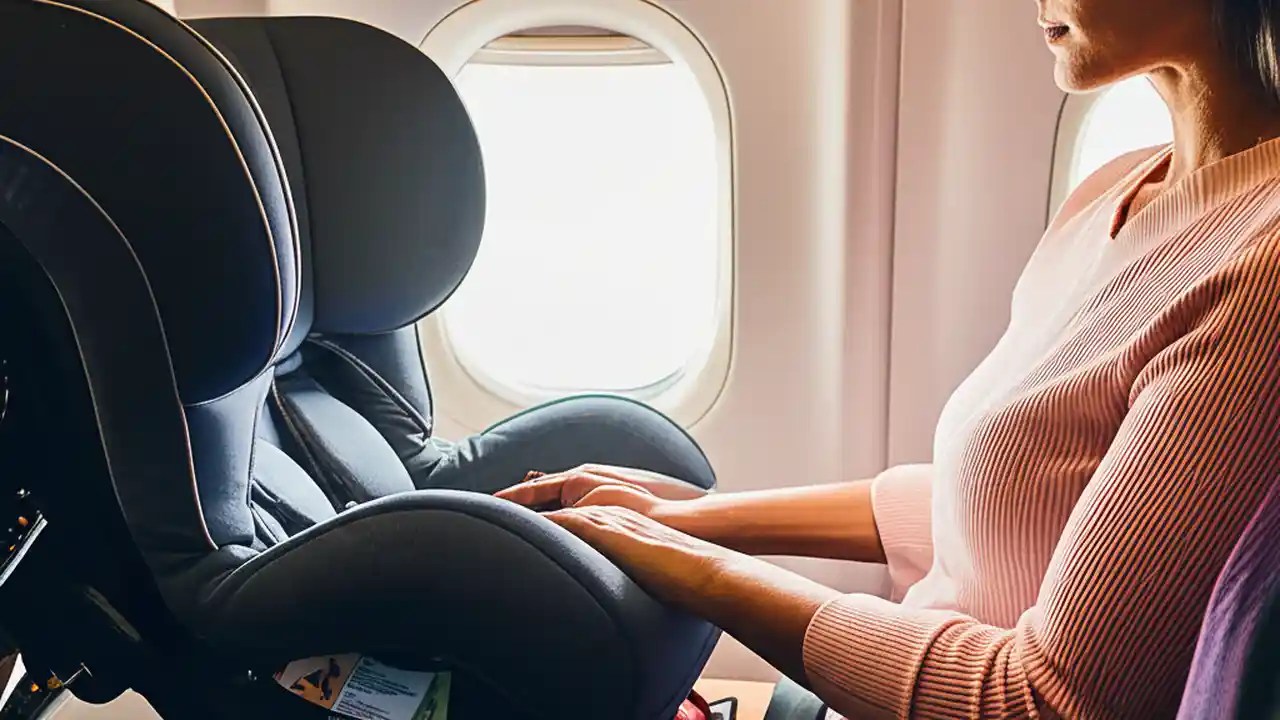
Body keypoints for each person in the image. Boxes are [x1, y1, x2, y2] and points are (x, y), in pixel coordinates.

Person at [498, 0, 1280, 716]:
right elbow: (1018, 502)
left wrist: (695, 570)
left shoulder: (1261, 267)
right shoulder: (1118, 190)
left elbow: (1045, 701)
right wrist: (690, 520)